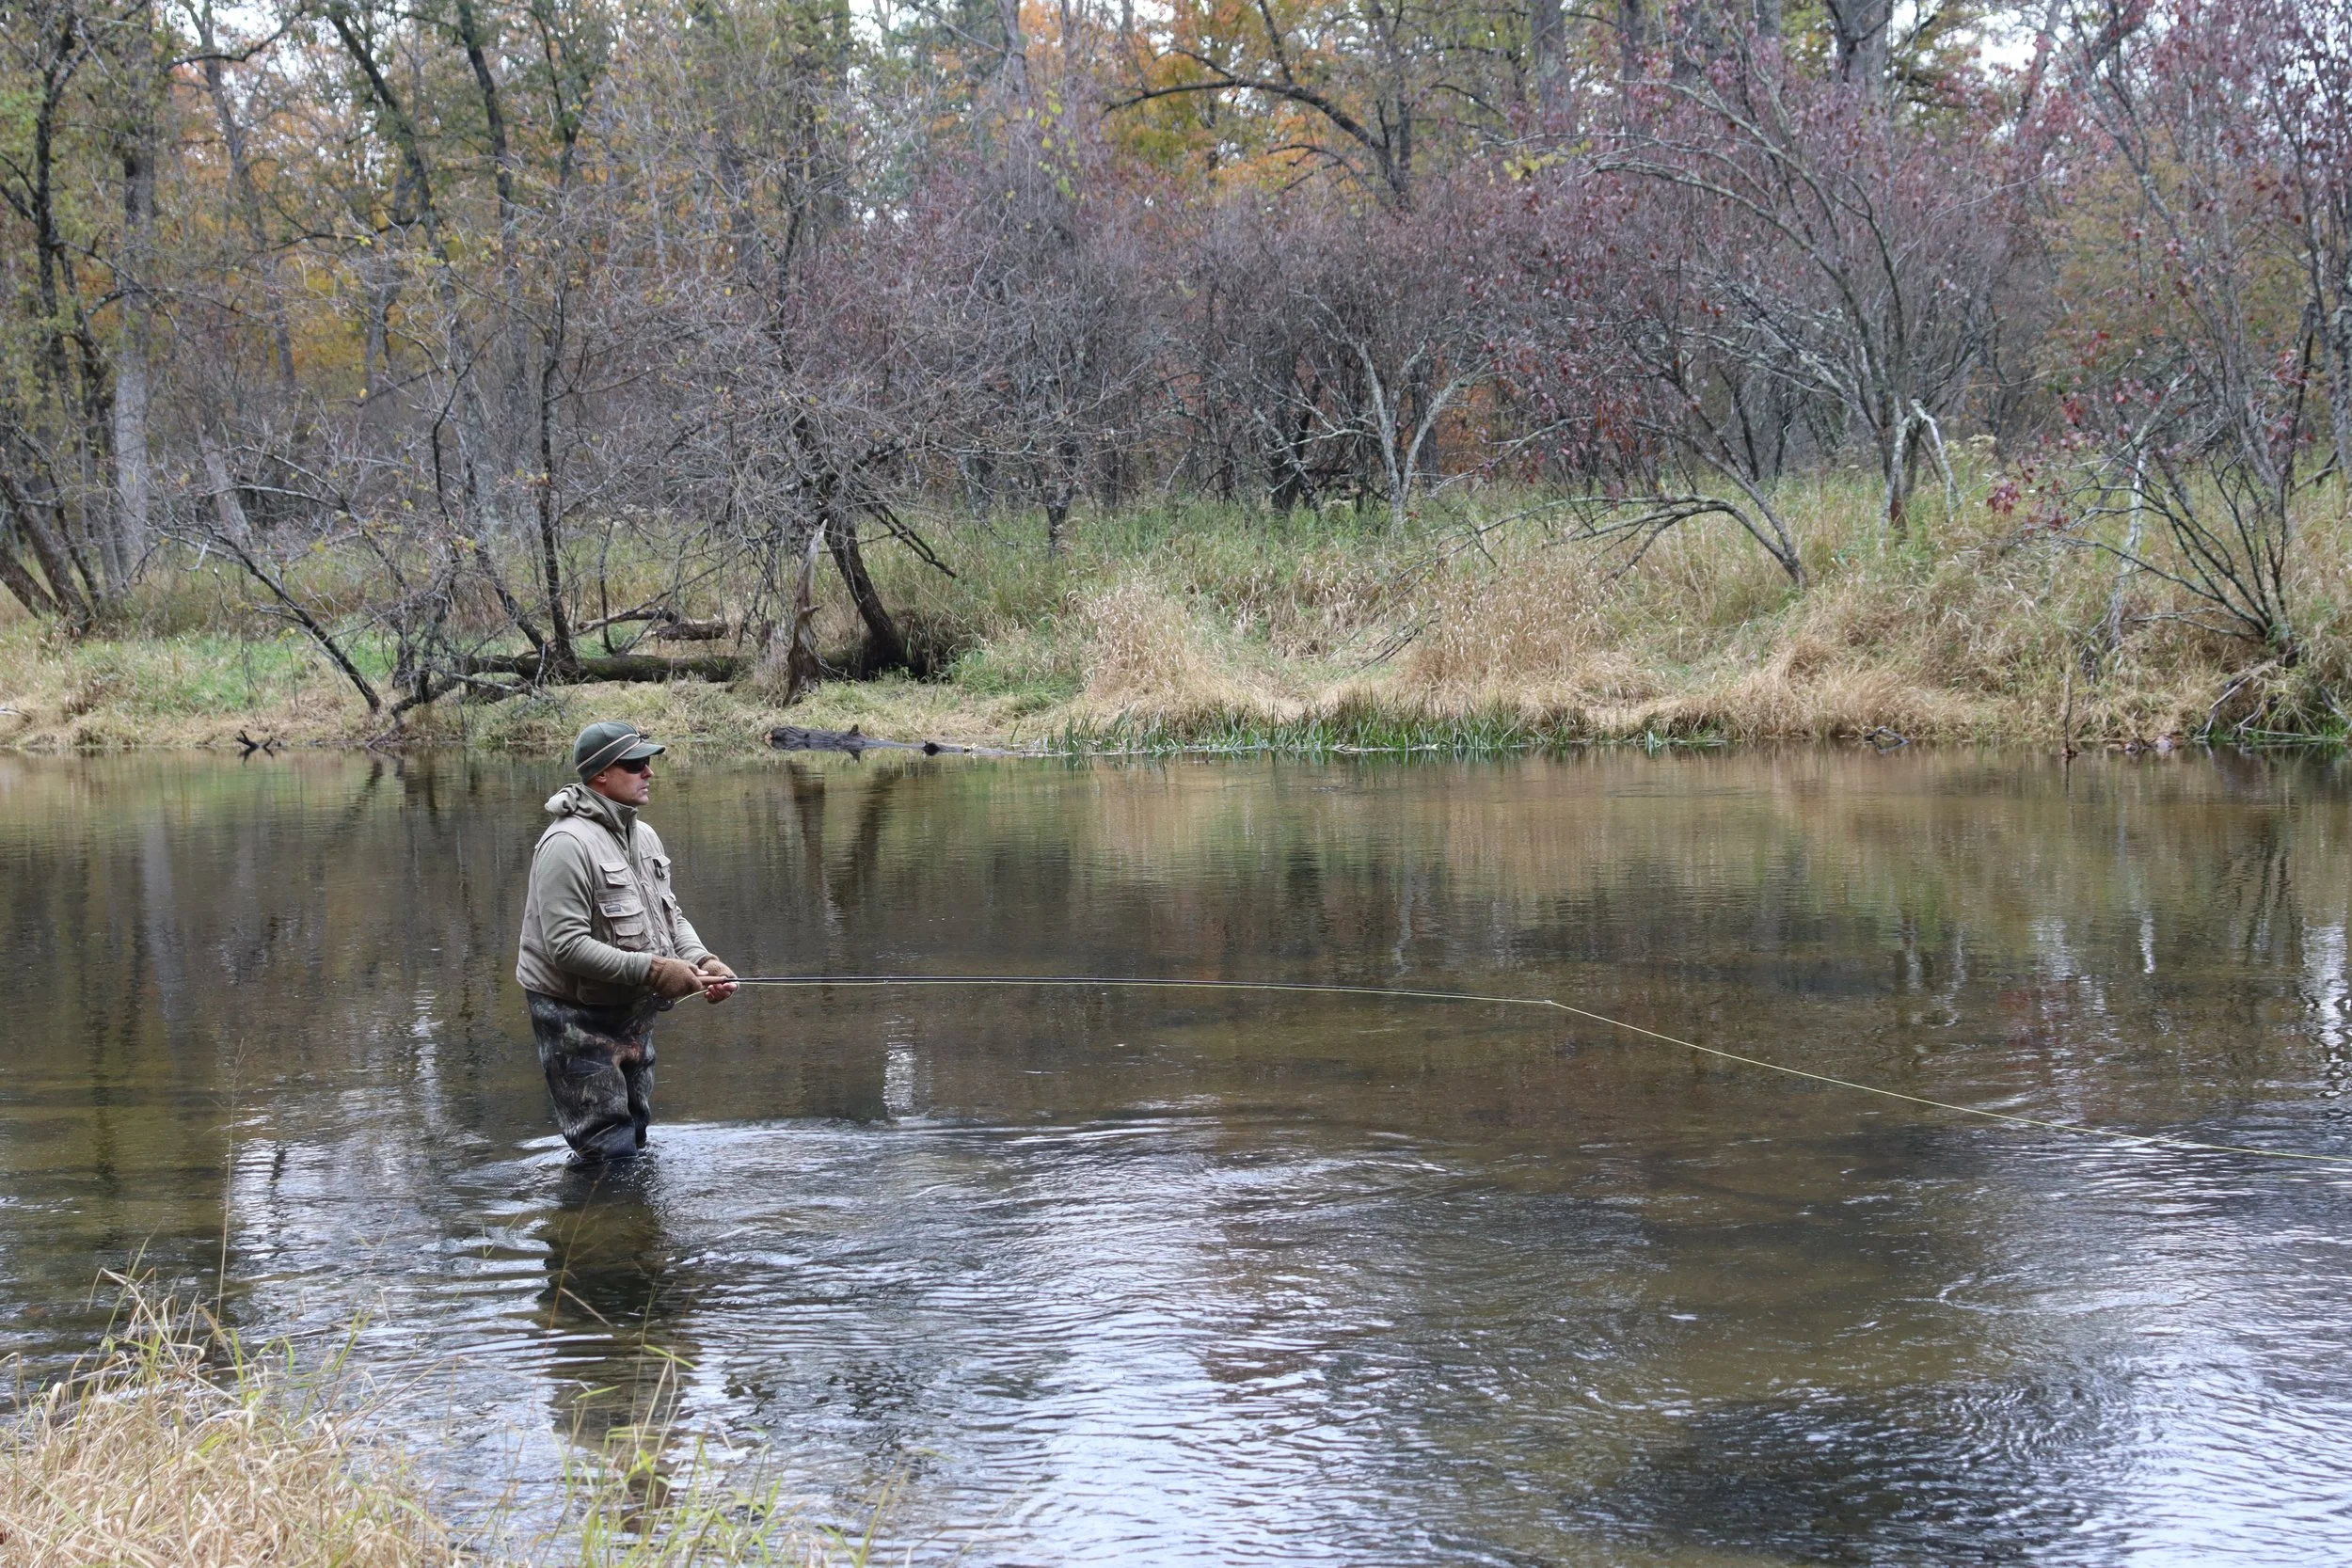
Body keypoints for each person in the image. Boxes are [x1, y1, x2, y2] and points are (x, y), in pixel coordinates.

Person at [516, 721, 738, 1160]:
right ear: (601, 774)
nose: (649, 773)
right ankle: (591, 1221)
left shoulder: (645, 835)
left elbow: (670, 917)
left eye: (649, 763)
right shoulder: (566, 844)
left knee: (635, 1135)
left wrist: (702, 961)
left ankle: (627, 1226)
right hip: (573, 1015)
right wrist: (657, 970)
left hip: (631, 1009)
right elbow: (566, 946)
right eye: (636, 765)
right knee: (605, 1148)